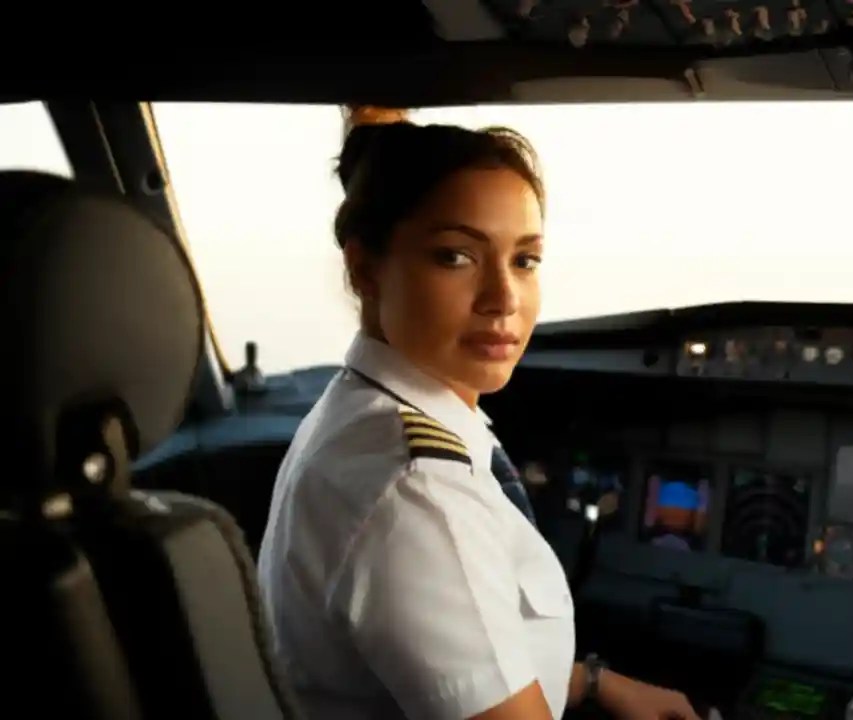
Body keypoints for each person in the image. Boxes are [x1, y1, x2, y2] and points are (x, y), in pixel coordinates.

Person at [257, 108, 700, 720]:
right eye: (455, 256)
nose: (503, 299)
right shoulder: (418, 491)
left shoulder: (365, 411)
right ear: (364, 270)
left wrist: (594, 683)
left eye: (524, 260)